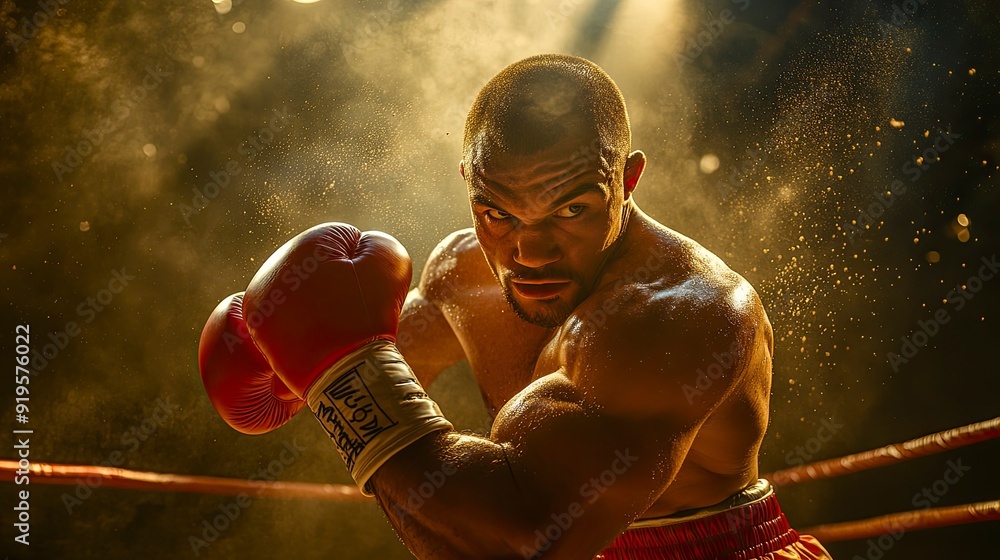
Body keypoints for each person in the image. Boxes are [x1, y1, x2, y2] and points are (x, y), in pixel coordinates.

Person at [199, 54, 833, 559]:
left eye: (571, 209)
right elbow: (373, 382)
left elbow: (523, 540)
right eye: (497, 212)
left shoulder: (682, 315)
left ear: (627, 179)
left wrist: (340, 379)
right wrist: (288, 356)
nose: (529, 252)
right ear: (470, 186)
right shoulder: (462, 274)